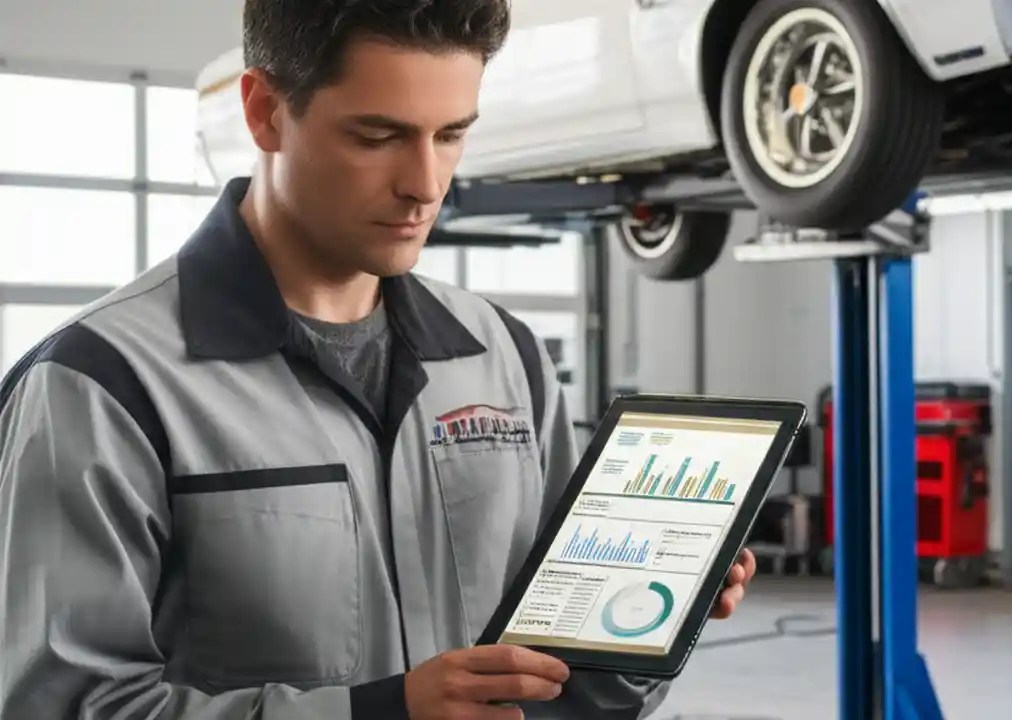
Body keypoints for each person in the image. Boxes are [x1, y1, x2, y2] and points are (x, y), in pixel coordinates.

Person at [0, 1, 758, 718]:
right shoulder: (102, 386)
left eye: (452, 134)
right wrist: (380, 713)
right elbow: (58, 706)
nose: (424, 185)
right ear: (264, 111)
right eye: (376, 136)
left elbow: (556, 683)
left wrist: (639, 632)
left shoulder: (504, 355)